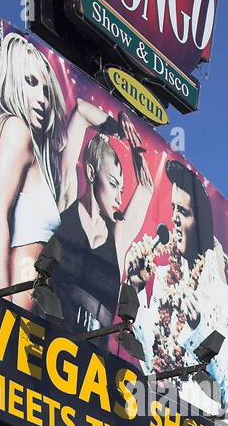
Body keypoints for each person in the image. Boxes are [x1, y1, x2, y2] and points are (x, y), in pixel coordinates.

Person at [0, 35, 124, 312]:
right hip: (21, 288)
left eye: (46, 90)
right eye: (31, 82)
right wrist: (0, 299)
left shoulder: (34, 150)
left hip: (38, 292)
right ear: (13, 80)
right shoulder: (16, 130)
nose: (42, 99)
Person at [127, 160, 228, 408]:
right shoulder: (163, 279)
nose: (175, 220)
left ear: (201, 225)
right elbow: (149, 360)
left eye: (184, 212)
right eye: (173, 209)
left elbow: (226, 388)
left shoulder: (225, 300)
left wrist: (198, 329)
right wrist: (136, 292)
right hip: (151, 415)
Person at [51, 125, 156, 332]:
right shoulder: (68, 202)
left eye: (122, 189)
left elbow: (146, 187)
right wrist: (114, 124)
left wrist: (135, 147)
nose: (119, 198)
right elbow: (80, 112)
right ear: (91, 172)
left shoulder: (117, 235)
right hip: (49, 331)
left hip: (94, 353)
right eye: (113, 183)